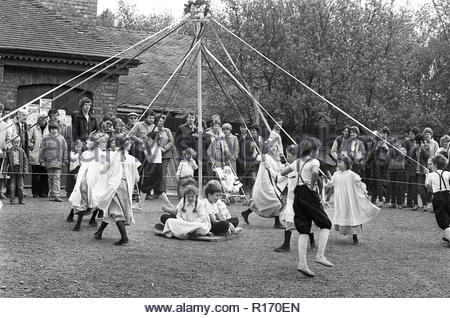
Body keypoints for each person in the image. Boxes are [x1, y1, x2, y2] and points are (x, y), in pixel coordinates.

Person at [280, 139, 333, 277]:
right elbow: (315, 173)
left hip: (297, 195)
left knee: (303, 229)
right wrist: (311, 186)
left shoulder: (296, 162)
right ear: (313, 150)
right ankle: (320, 255)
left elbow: (282, 173)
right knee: (326, 224)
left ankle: (302, 263)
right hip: (309, 194)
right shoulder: (314, 162)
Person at [92, 137, 141, 245]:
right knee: (110, 209)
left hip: (116, 186)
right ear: (126, 146)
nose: (130, 145)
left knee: (116, 211)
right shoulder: (132, 159)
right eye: (129, 144)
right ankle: (99, 232)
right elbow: (137, 178)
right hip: (125, 186)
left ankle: (124, 238)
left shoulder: (114, 156)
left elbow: (103, 170)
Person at [325, 157, 379, 244]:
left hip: (349, 199)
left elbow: (360, 183)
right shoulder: (336, 174)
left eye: (340, 162)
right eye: (338, 162)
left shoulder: (351, 174)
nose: (338, 164)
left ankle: (355, 236)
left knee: (351, 213)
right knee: (343, 213)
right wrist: (327, 183)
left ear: (346, 164)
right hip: (340, 199)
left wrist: (365, 191)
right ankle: (346, 231)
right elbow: (331, 183)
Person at [274, 145, 316, 253]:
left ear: (295, 156)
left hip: (300, 198)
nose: (287, 158)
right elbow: (279, 179)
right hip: (292, 199)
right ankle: (287, 245)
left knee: (306, 219)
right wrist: (270, 170)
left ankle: (311, 243)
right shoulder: (289, 167)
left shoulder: (302, 167)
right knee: (290, 220)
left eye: (288, 156)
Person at [240, 140, 285, 229]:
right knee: (276, 201)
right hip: (264, 183)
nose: (274, 148)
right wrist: (254, 148)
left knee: (259, 201)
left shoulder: (277, 159)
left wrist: (285, 166)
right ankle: (277, 222)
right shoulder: (266, 157)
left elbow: (280, 169)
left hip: (272, 183)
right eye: (272, 146)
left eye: (276, 146)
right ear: (268, 148)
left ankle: (246, 213)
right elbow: (256, 157)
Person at [69, 133, 109, 231]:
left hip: (84, 179)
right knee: (96, 199)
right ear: (97, 143)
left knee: (83, 199)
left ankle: (78, 224)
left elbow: (82, 164)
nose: (106, 144)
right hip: (94, 180)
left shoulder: (86, 153)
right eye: (103, 142)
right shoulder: (102, 154)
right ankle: (91, 219)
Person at [425, 154, 450, 246]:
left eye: (431, 164)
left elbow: (427, 186)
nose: (430, 166)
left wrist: (426, 174)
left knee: (442, 219)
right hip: (448, 196)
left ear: (435, 165)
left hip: (438, 197)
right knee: (448, 216)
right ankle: (448, 236)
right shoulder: (448, 173)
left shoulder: (431, 175)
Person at [39, 121, 68, 202]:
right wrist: (41, 160)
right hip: (49, 162)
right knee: (50, 178)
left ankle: (57, 194)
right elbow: (41, 150)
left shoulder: (61, 138)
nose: (54, 130)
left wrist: (65, 159)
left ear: (58, 129)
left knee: (57, 178)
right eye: (52, 129)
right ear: (49, 130)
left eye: (55, 129)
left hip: (58, 162)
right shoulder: (45, 138)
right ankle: (52, 194)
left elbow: (65, 150)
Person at [238, 124, 263, 200]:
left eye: (254, 130)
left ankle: (253, 196)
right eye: (251, 130)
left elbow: (262, 151)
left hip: (257, 164)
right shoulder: (247, 140)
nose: (252, 132)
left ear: (257, 131)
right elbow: (244, 152)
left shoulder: (260, 139)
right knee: (245, 180)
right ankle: (244, 197)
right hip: (247, 163)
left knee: (254, 181)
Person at [29, 112, 49, 198]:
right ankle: (35, 192)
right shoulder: (33, 127)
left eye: (45, 118)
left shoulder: (49, 128)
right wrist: (31, 146)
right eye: (41, 118)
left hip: (46, 155)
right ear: (38, 119)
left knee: (44, 174)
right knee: (35, 175)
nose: (43, 120)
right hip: (35, 154)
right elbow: (29, 139)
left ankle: (43, 192)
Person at [2, 136, 28, 204]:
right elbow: (6, 162)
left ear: (20, 143)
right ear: (12, 143)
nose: (17, 144)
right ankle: (12, 200)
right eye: (15, 142)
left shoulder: (22, 151)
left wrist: (25, 170)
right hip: (12, 170)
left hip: (20, 170)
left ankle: (21, 200)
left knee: (20, 186)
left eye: (18, 142)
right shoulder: (9, 151)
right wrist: (4, 170)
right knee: (12, 186)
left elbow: (25, 161)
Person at [154, 114, 174, 198]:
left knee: (163, 173)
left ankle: (162, 192)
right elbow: (152, 141)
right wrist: (158, 149)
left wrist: (164, 148)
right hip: (155, 154)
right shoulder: (153, 130)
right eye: (159, 121)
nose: (161, 122)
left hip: (165, 154)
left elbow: (171, 141)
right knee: (155, 173)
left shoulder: (167, 130)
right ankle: (155, 192)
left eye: (162, 121)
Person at [410, 133, 430, 211]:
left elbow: (427, 156)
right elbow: (410, 156)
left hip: (422, 171)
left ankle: (425, 204)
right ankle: (415, 204)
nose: (418, 143)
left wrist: (422, 149)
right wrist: (415, 148)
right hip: (414, 171)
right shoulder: (414, 147)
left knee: (420, 188)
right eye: (417, 141)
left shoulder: (426, 146)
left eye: (420, 141)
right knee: (413, 188)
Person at [387, 138, 407, 208]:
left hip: (400, 170)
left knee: (399, 187)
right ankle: (393, 202)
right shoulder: (390, 150)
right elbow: (388, 159)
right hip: (391, 170)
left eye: (397, 143)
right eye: (394, 143)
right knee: (392, 186)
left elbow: (402, 156)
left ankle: (400, 203)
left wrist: (396, 149)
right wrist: (392, 149)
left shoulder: (403, 149)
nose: (395, 144)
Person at [0, 103, 12, 199]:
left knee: (0, 173)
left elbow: (8, 138)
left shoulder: (5, 125)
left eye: (0, 112)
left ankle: (0, 191)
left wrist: (5, 146)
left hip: (1, 152)